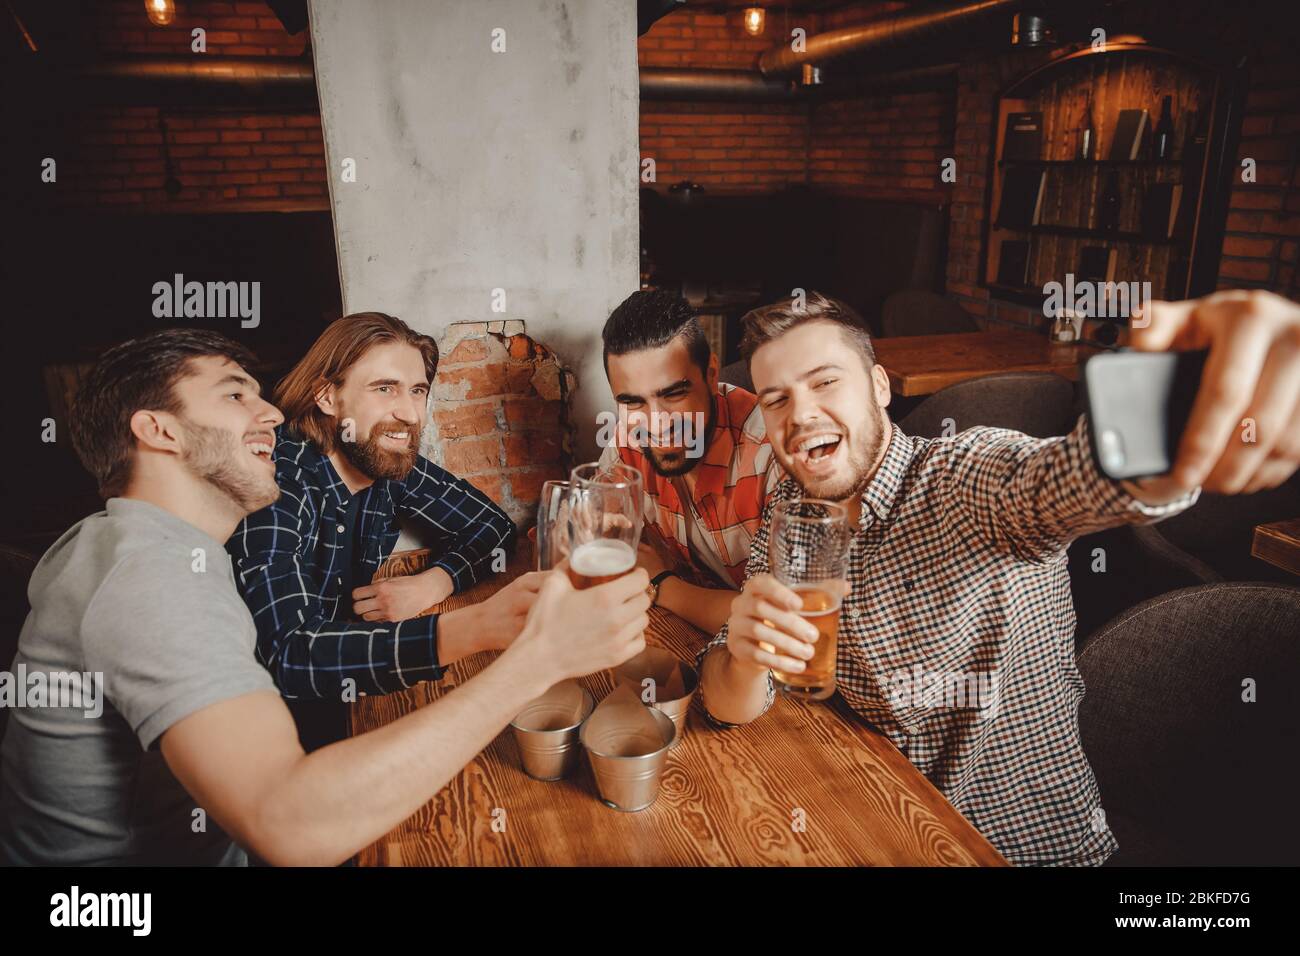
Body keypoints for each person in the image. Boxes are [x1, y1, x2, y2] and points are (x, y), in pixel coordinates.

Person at [696, 289, 1300, 866]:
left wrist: (1172, 411)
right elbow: (727, 701)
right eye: (775, 399)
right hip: (886, 818)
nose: (800, 414)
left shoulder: (964, 476)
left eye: (825, 381)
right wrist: (746, 659)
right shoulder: (788, 513)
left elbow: (1063, 483)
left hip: (1022, 846)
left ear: (879, 386)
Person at [0, 328, 649, 865]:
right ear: (160, 432)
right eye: (234, 394)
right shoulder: (147, 575)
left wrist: (468, 611)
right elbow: (288, 825)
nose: (273, 414)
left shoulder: (149, 547)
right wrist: (534, 662)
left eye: (416, 389)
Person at [226, 313, 517, 748]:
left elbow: (492, 527)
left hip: (351, 690)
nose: (408, 412)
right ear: (327, 397)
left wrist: (433, 583)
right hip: (267, 732)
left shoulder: (382, 456)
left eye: (417, 391)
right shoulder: (278, 483)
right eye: (385, 389)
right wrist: (465, 629)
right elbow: (288, 653)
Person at [598, 291, 783, 635]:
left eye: (673, 394)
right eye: (633, 401)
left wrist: (661, 583)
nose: (656, 424)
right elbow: (589, 535)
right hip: (688, 641)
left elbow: (772, 623)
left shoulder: (774, 452)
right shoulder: (627, 438)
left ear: (712, 373)